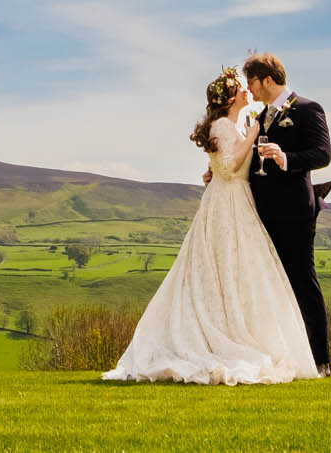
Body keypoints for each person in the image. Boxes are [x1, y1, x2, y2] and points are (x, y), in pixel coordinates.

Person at [102, 67, 319, 384]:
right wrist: (253, 136)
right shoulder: (223, 125)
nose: (246, 90)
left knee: (240, 273)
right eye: (239, 88)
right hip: (225, 203)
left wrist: (245, 140)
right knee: (221, 268)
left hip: (239, 201)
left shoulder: (237, 123)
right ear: (230, 97)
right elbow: (229, 168)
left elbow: (223, 165)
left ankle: (241, 329)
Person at [239, 51, 331, 374]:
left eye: (250, 81)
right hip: (262, 215)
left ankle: (320, 360)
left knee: (302, 283)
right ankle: (282, 357)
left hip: (294, 213)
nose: (248, 88)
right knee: (269, 287)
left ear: (267, 79)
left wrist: (285, 157)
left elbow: (322, 154)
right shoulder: (260, 116)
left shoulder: (307, 109)